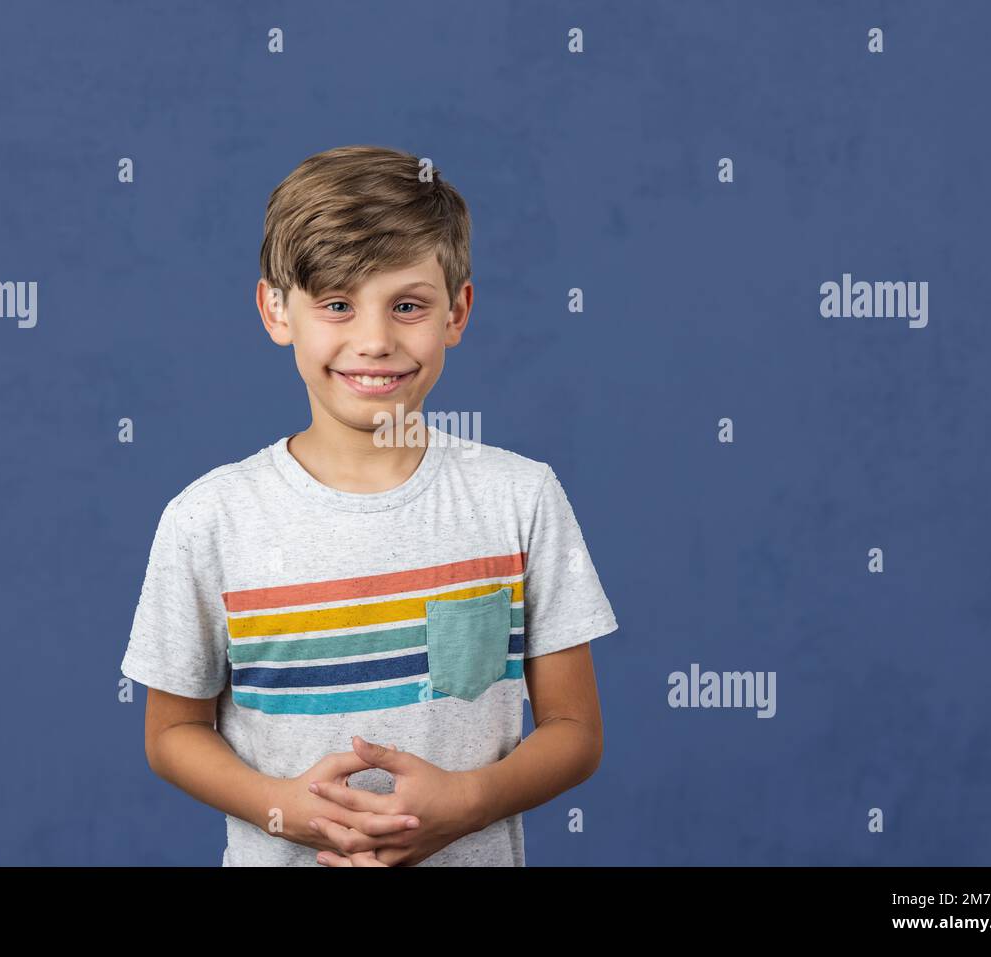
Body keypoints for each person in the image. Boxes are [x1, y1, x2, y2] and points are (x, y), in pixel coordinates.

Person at [119, 144, 618, 866]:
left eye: (408, 306)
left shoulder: (520, 497)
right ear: (276, 310)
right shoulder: (208, 521)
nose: (375, 341)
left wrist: (470, 800)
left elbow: (576, 730)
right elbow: (171, 733)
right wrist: (283, 807)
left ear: (458, 312)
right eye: (337, 305)